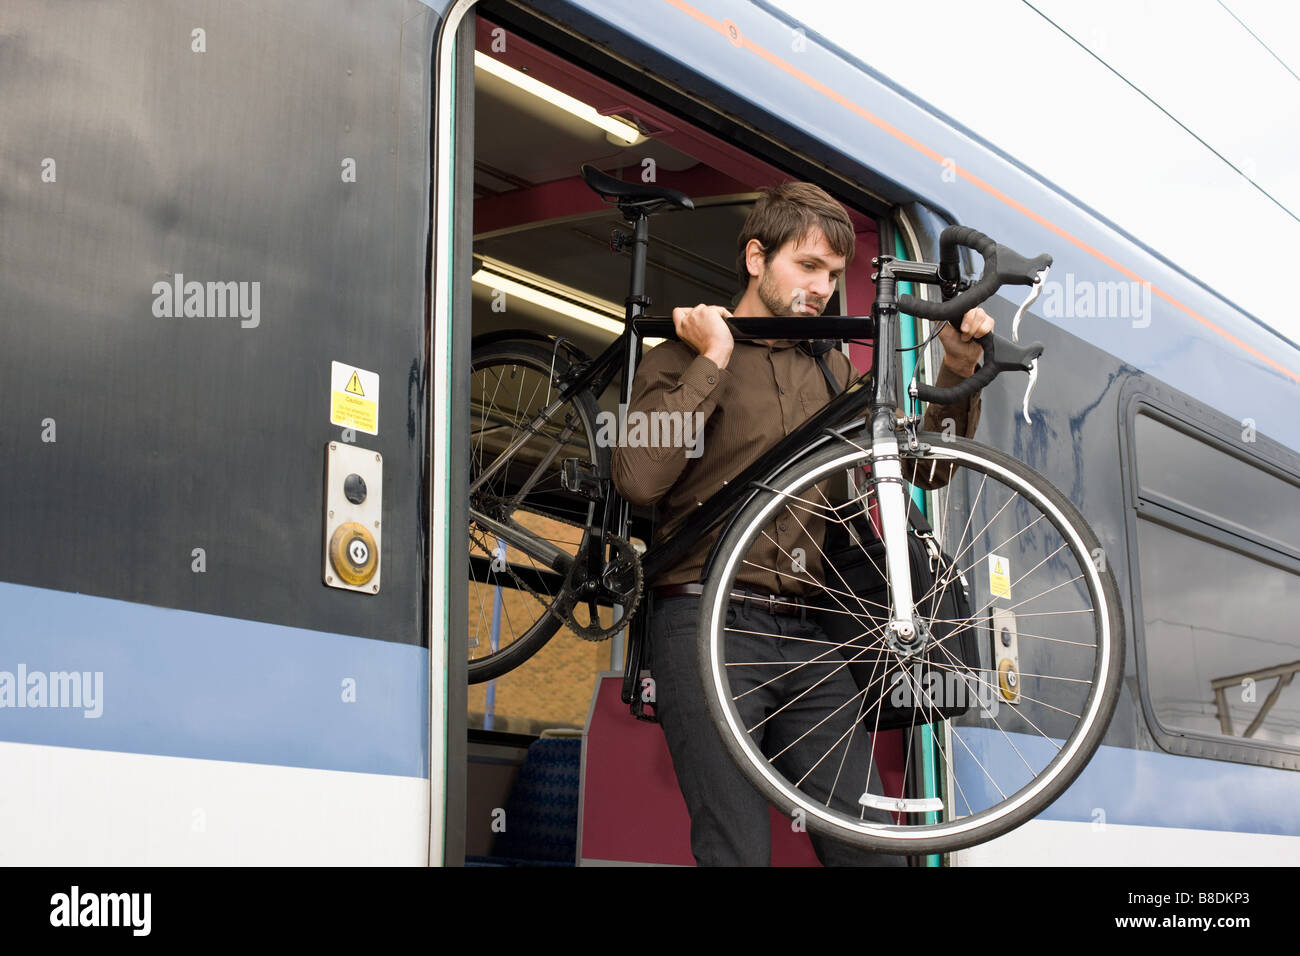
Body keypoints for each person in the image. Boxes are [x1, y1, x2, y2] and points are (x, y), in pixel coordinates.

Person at [610, 182, 994, 866]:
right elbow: (639, 478)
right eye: (807, 266)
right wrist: (714, 359)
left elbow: (923, 472)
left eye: (834, 275)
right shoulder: (678, 358)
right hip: (704, 623)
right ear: (756, 258)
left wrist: (959, 370)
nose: (821, 287)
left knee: (869, 851)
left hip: (810, 635)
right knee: (736, 849)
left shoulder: (832, 370)